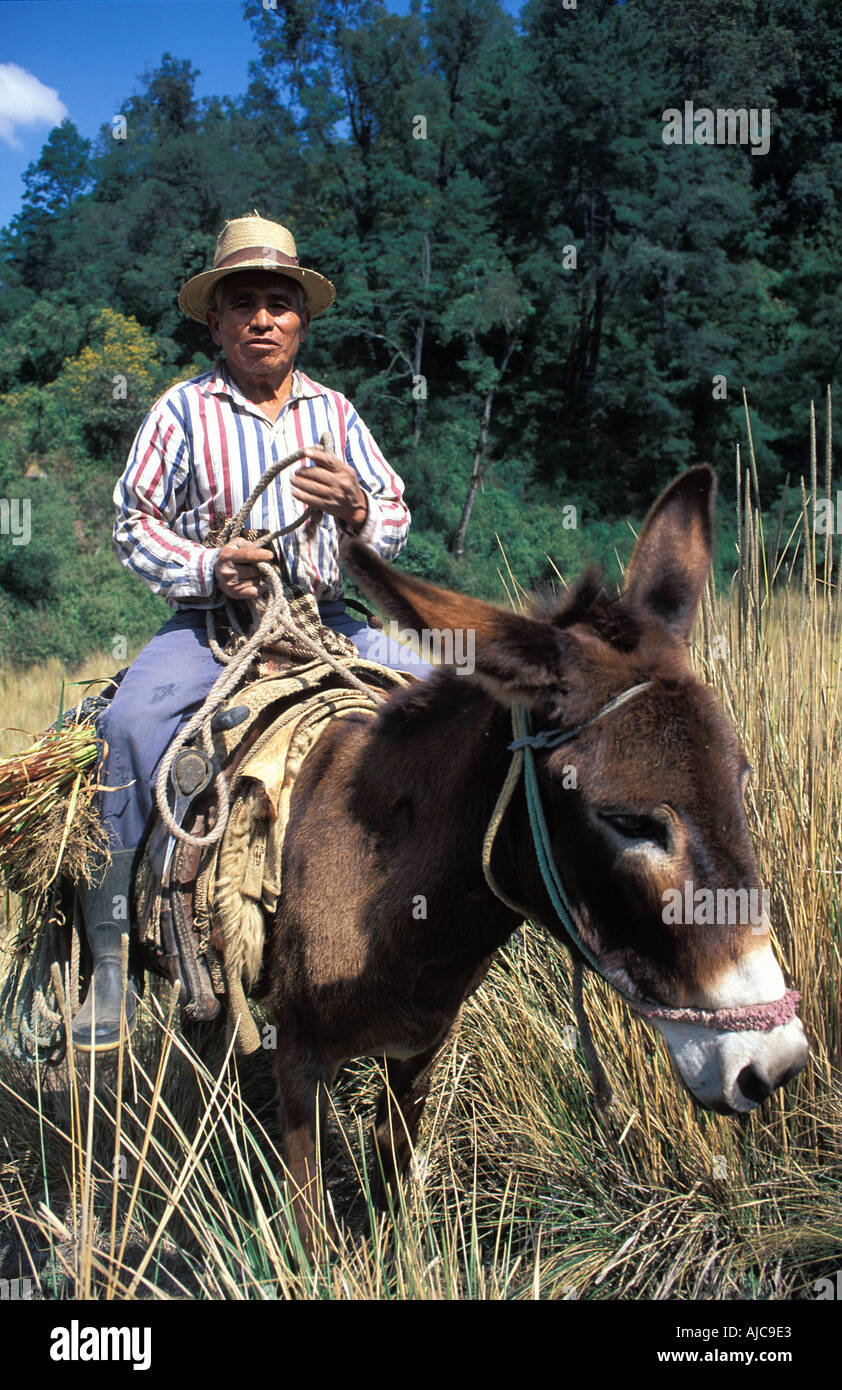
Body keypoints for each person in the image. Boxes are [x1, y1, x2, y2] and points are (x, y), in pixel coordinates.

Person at [73, 212, 425, 1051]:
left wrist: (357, 512)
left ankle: (440, 908)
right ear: (217, 321)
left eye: (279, 302)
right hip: (213, 626)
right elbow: (133, 524)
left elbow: (396, 516)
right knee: (126, 730)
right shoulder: (182, 411)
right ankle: (110, 966)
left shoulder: (336, 414)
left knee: (447, 696)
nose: (262, 319)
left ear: (300, 319)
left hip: (325, 617)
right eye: (244, 304)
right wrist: (207, 568)